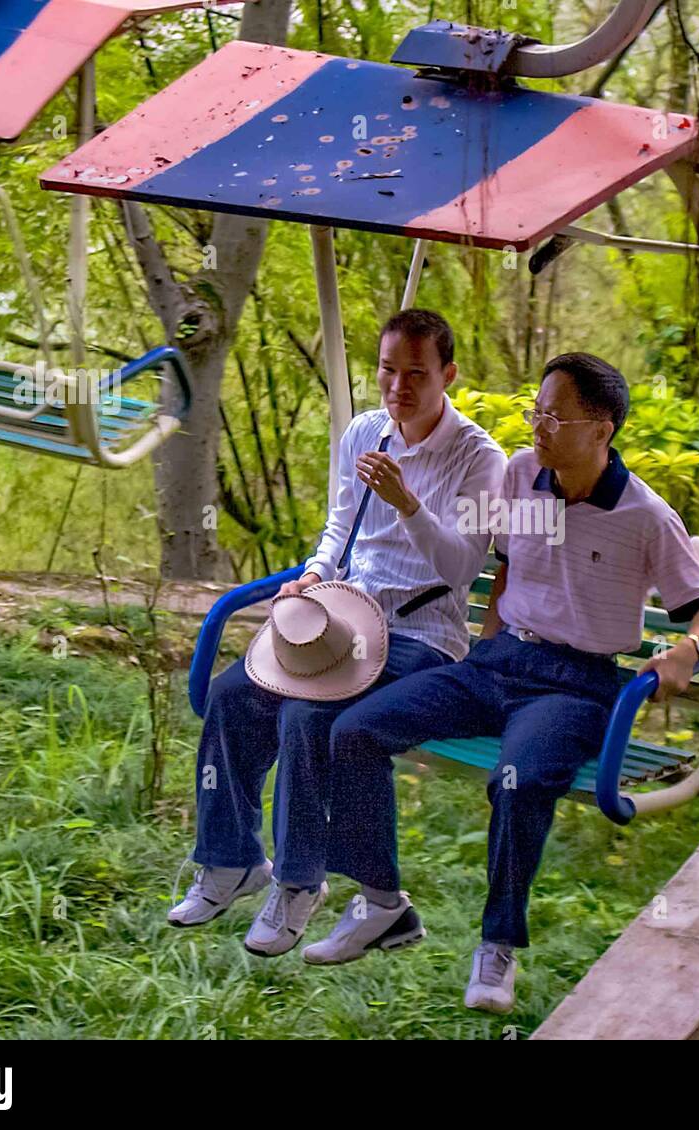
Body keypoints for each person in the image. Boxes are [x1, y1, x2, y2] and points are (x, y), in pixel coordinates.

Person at [310, 352, 699, 1013]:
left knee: (517, 780)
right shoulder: (521, 473)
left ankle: (497, 944)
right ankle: (381, 903)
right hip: (497, 664)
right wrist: (490, 638)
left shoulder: (644, 515)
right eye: (536, 411)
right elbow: (506, 563)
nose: (538, 425)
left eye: (554, 416)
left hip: (575, 684)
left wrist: (687, 649)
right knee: (353, 730)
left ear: (602, 429)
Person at [168, 309, 506, 957]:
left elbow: (464, 566)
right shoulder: (364, 433)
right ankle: (232, 858)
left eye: (416, 373)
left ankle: (299, 883)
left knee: (305, 718)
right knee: (232, 696)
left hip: (420, 637)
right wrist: (312, 575)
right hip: (341, 616)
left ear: (449, 375)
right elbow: (337, 527)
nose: (397, 387)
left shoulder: (478, 458)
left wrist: (409, 503)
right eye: (386, 370)